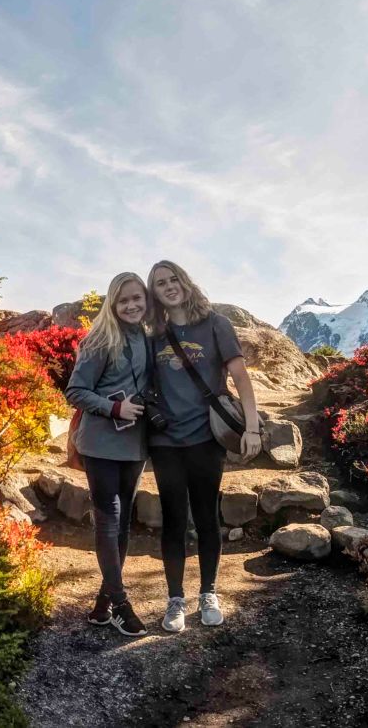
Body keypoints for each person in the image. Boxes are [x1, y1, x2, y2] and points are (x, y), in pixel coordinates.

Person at [146, 259, 261, 632]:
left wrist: (253, 427)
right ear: (155, 293)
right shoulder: (153, 336)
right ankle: (175, 598)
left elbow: (240, 377)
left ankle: (208, 592)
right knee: (174, 520)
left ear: (185, 282)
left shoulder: (215, 324)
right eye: (160, 283)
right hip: (165, 442)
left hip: (205, 439)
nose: (169, 286)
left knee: (208, 517)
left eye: (173, 279)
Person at [64, 272, 151, 637]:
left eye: (137, 298)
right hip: (101, 444)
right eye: (123, 300)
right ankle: (120, 602)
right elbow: (75, 391)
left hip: (135, 445)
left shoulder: (146, 337)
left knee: (123, 520)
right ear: (112, 304)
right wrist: (114, 409)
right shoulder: (100, 340)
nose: (131, 305)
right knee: (109, 517)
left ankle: (103, 603)